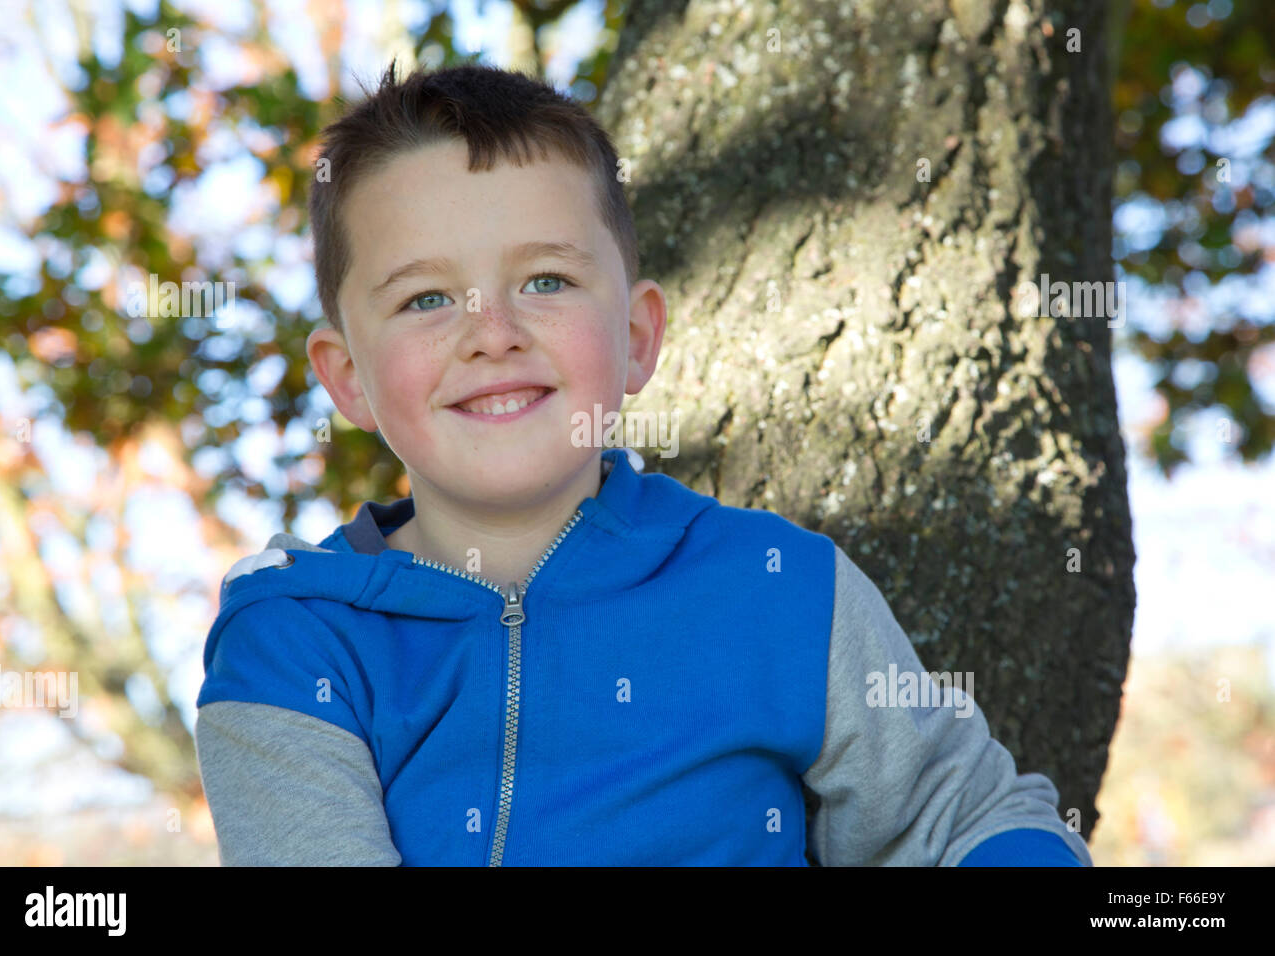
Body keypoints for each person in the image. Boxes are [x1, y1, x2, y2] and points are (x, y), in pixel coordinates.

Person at [194, 62, 1093, 867]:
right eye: (427, 298)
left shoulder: (779, 586)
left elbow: (957, 818)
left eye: (545, 281)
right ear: (348, 378)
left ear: (635, 338)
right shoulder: (295, 641)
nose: (492, 334)